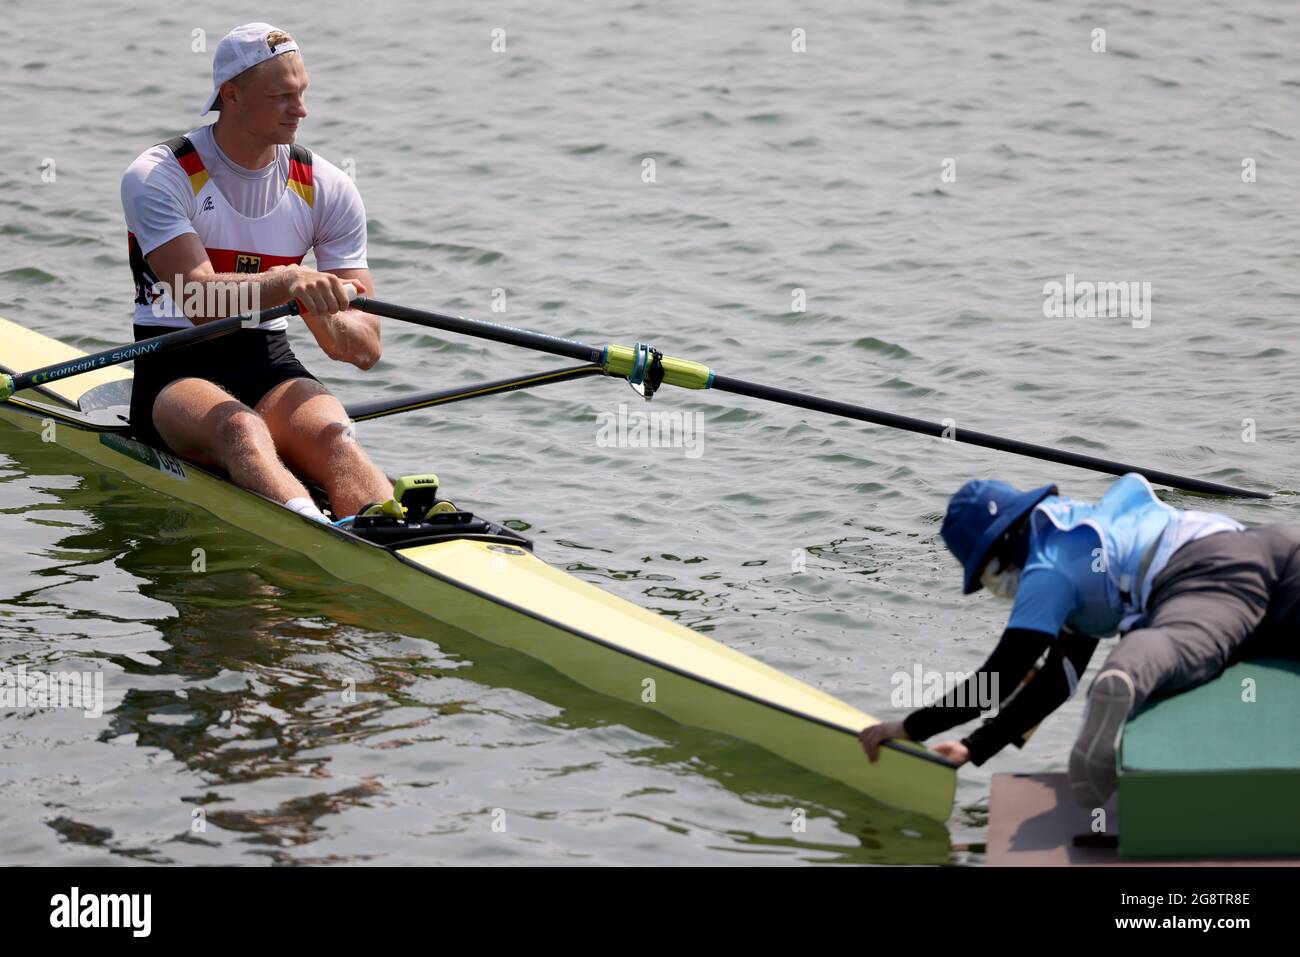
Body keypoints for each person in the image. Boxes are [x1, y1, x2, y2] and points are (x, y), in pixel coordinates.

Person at [858, 471, 1300, 806]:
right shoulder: (1080, 529)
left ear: (1009, 543)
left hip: (1204, 580)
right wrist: (976, 747)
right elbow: (1055, 681)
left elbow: (1001, 675)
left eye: (990, 577)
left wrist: (909, 728)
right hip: (1268, 548)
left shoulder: (1045, 569)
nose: (997, 590)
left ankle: (1125, 674)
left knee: (1183, 644)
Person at [120, 22, 392, 523]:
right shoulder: (161, 175)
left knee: (338, 439)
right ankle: (316, 532)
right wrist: (290, 281)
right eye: (282, 96)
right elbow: (197, 302)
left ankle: (389, 531)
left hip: (266, 358)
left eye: (302, 92)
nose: (302, 110)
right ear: (233, 94)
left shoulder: (326, 187)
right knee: (241, 429)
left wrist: (323, 311)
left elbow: (362, 350)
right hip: (172, 361)